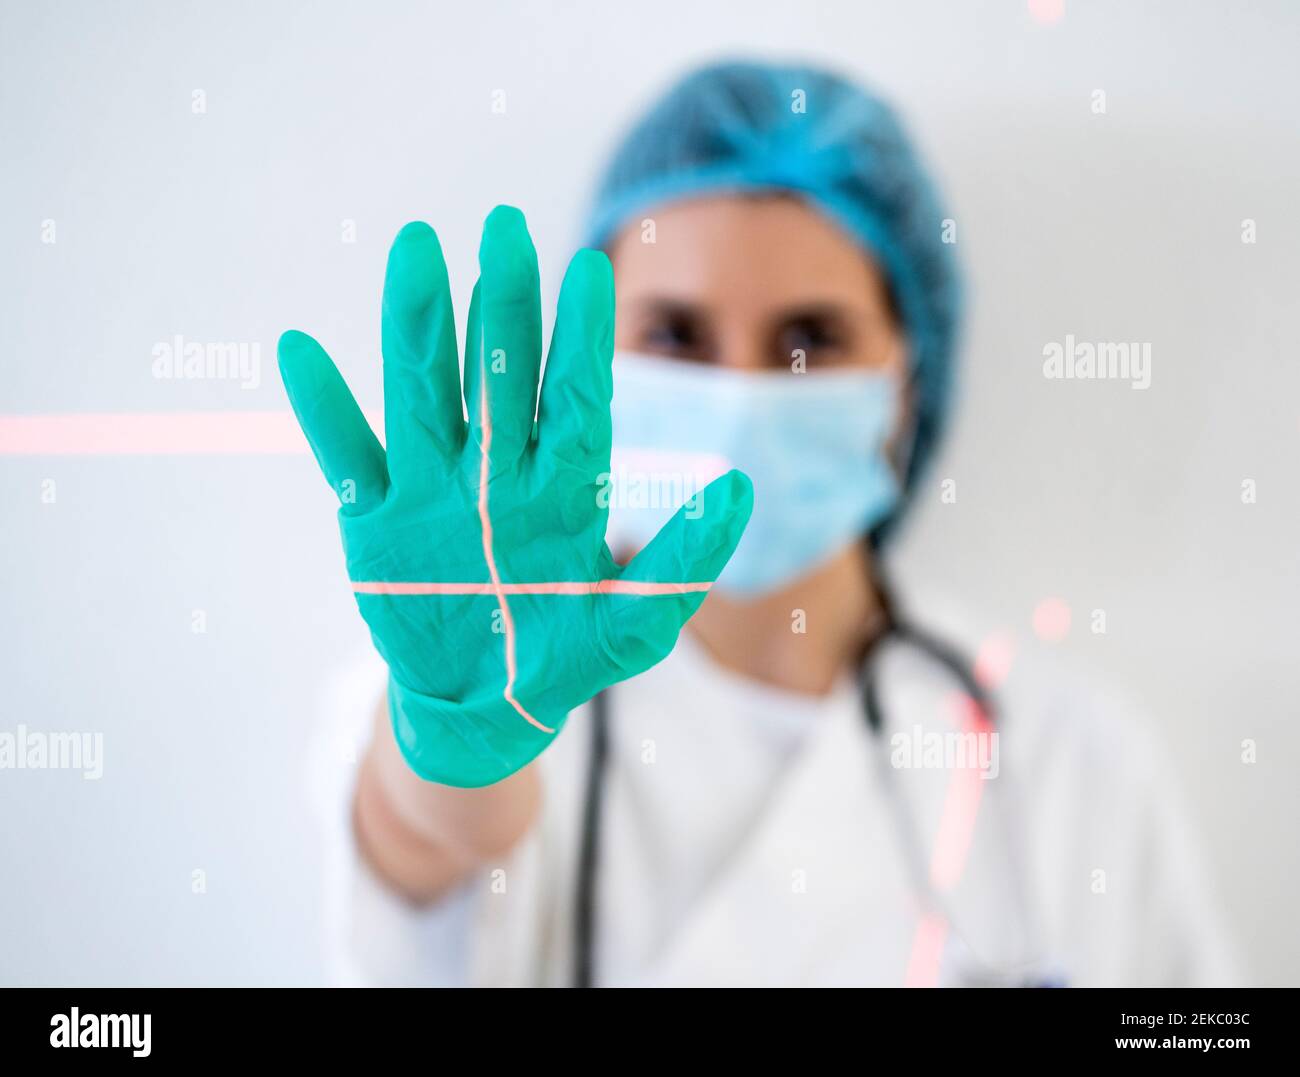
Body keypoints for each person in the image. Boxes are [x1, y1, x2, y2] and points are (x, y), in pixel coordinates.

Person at [285, 60, 1238, 987]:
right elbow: (421, 851)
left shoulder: (1069, 758)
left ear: (909, 381)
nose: (741, 393)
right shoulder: (476, 669)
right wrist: (454, 731)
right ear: (594, 364)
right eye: (675, 335)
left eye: (808, 340)